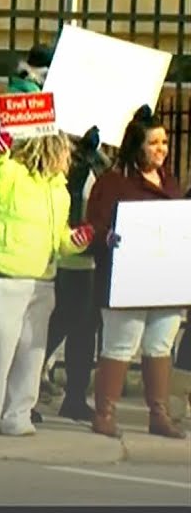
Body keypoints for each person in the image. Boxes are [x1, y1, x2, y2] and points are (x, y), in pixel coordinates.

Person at [0, 131, 92, 442]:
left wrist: (73, 242)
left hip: (41, 277)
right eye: (65, 152)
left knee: (31, 352)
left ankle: (17, 413)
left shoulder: (59, 190)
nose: (68, 159)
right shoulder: (12, 172)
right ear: (50, 149)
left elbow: (58, 235)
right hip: (3, 272)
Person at [85, 106, 186, 440]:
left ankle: (159, 414)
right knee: (120, 345)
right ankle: (105, 414)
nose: (161, 149)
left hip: (165, 280)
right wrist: (108, 237)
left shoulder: (171, 183)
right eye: (153, 143)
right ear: (136, 146)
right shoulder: (113, 183)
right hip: (125, 281)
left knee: (160, 345)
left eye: (164, 142)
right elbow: (95, 227)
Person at [32, 126, 111, 423]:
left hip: (92, 256)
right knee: (58, 323)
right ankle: (26, 390)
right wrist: (81, 157)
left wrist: (95, 157)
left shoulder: (100, 160)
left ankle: (76, 396)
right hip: (65, 256)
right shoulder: (59, 153)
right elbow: (66, 191)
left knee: (85, 328)